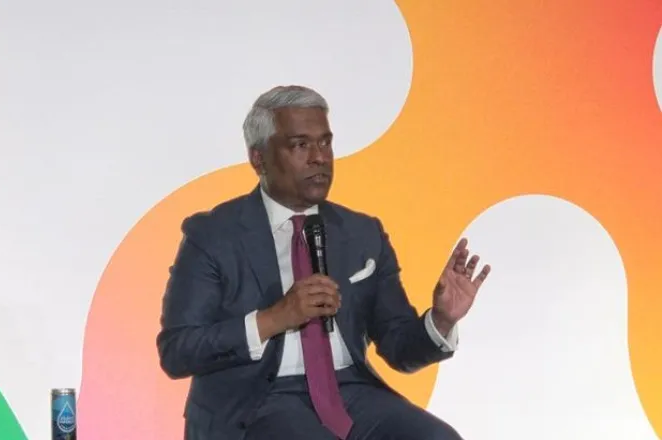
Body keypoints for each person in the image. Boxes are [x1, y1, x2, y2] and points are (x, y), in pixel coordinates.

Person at [157, 85, 491, 440]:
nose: (319, 157)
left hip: (350, 392)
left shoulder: (362, 233)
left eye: (325, 143)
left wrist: (441, 320)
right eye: (300, 145)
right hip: (255, 402)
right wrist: (275, 318)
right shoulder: (212, 235)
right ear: (259, 159)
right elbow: (177, 351)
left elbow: (399, 348)